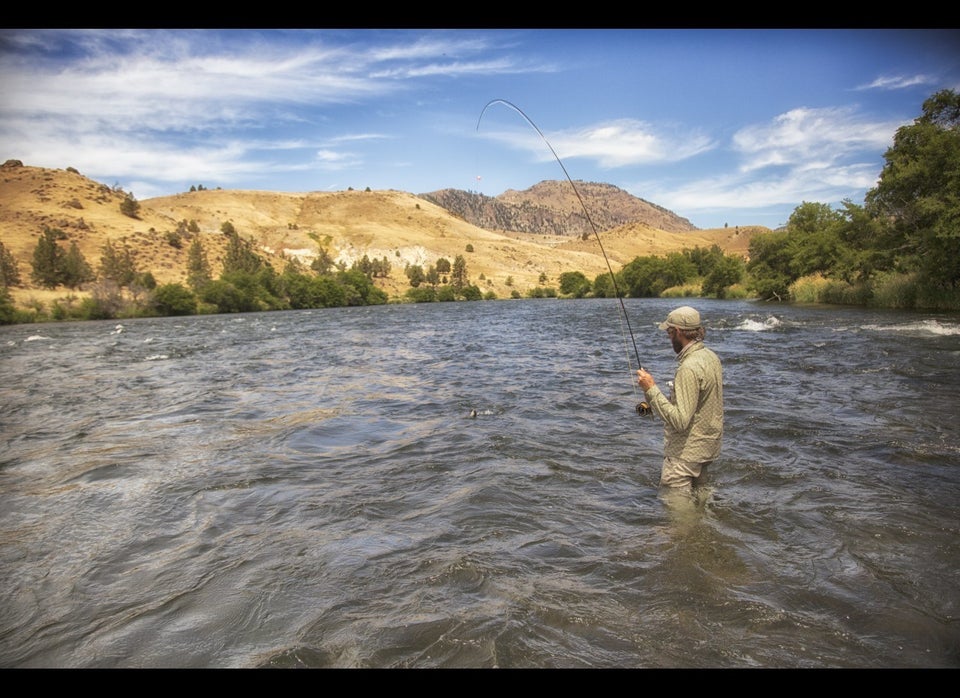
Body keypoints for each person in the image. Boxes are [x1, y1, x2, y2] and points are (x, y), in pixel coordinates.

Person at [636, 306, 723, 494]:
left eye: (668, 332)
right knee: (700, 513)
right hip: (706, 451)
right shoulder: (711, 357)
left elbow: (680, 421)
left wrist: (651, 389)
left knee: (678, 521)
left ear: (677, 332)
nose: (668, 337)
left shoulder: (688, 368)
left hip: (683, 457)